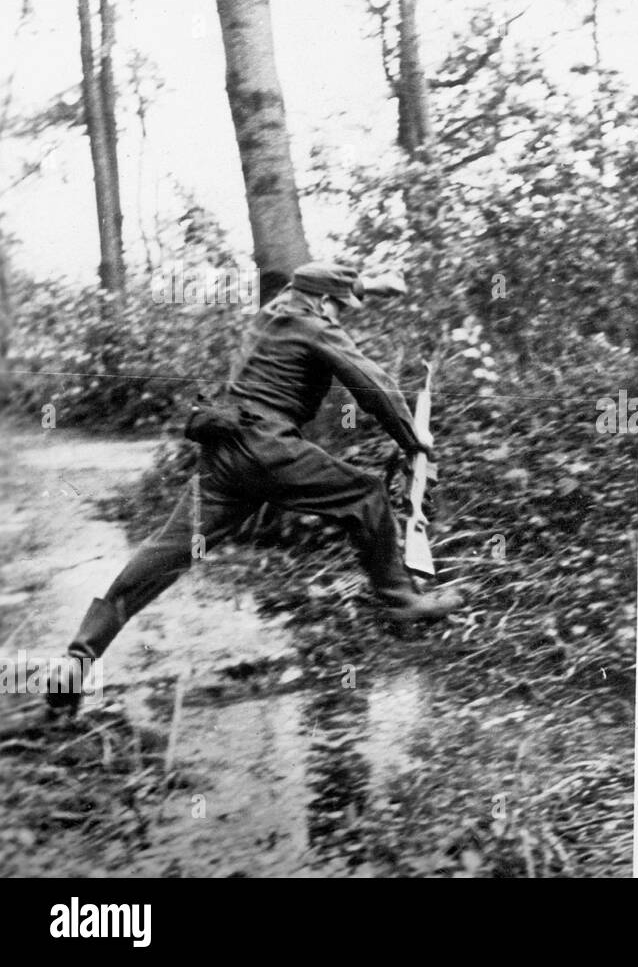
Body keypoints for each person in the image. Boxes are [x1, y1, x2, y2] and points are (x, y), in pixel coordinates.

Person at [48, 262, 462, 715]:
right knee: (364, 495)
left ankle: (77, 661)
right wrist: (413, 441)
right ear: (324, 304)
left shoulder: (276, 310)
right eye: (339, 307)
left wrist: (372, 285)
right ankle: (401, 604)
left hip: (223, 448)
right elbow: (373, 386)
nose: (340, 315)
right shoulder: (315, 326)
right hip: (268, 448)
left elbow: (313, 280)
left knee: (166, 552)